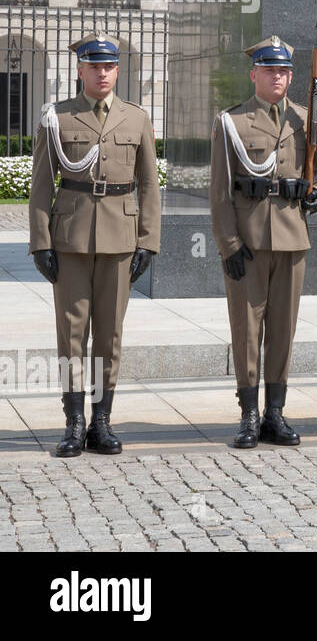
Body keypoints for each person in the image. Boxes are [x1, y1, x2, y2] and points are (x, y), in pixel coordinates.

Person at [29, 33, 161, 457]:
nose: (102, 73)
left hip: (120, 238)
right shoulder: (57, 118)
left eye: (109, 66)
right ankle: (74, 421)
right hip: (70, 237)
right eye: (94, 66)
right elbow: (41, 185)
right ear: (80, 70)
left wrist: (148, 241)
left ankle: (102, 420)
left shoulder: (136, 118)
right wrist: (40, 242)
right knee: (71, 334)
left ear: (117, 70)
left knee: (109, 334)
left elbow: (148, 185)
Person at [209, 35, 317, 448]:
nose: (278, 77)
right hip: (248, 239)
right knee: (247, 330)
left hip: (291, 235)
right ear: (254, 74)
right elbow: (219, 191)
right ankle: (249, 415)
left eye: (284, 71)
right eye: (270, 70)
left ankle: (275, 414)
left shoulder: (305, 118)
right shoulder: (231, 121)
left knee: (283, 329)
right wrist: (229, 244)